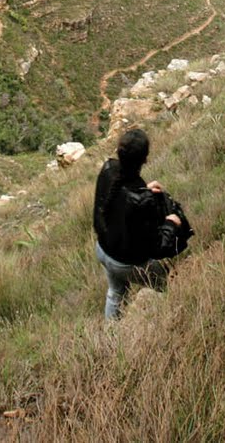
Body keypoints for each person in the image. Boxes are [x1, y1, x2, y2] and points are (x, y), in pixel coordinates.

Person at [93, 127, 184, 319]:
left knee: (116, 292)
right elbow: (157, 247)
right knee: (171, 283)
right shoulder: (141, 201)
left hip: (103, 249)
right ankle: (161, 324)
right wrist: (171, 223)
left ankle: (110, 337)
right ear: (145, 159)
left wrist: (143, 189)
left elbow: (120, 198)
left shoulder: (108, 169)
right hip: (126, 262)